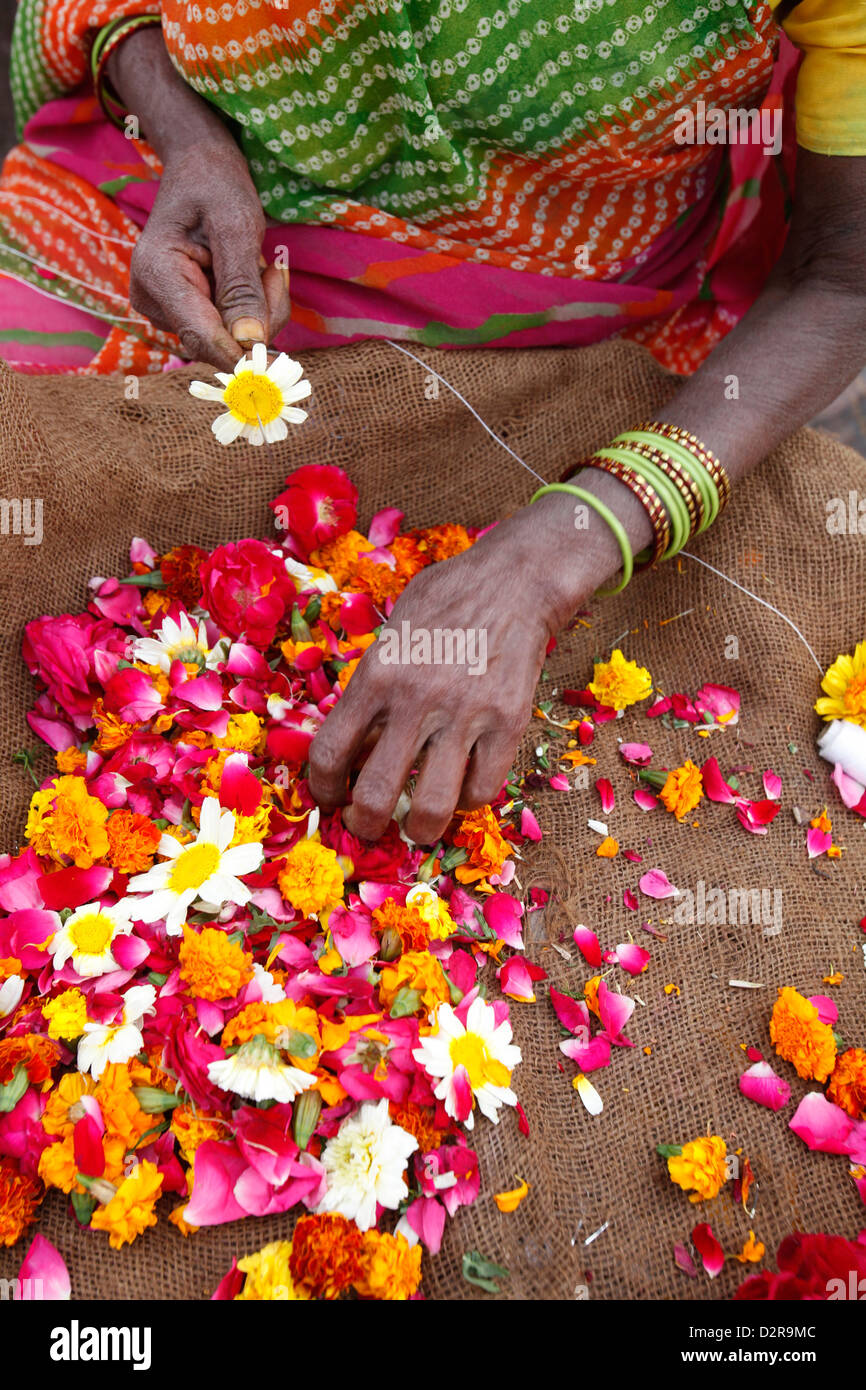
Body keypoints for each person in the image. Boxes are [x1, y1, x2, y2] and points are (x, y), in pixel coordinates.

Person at [1, 1, 865, 845]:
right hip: (172, 226)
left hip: (550, 325)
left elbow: (845, 277)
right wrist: (187, 136)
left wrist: (554, 556)